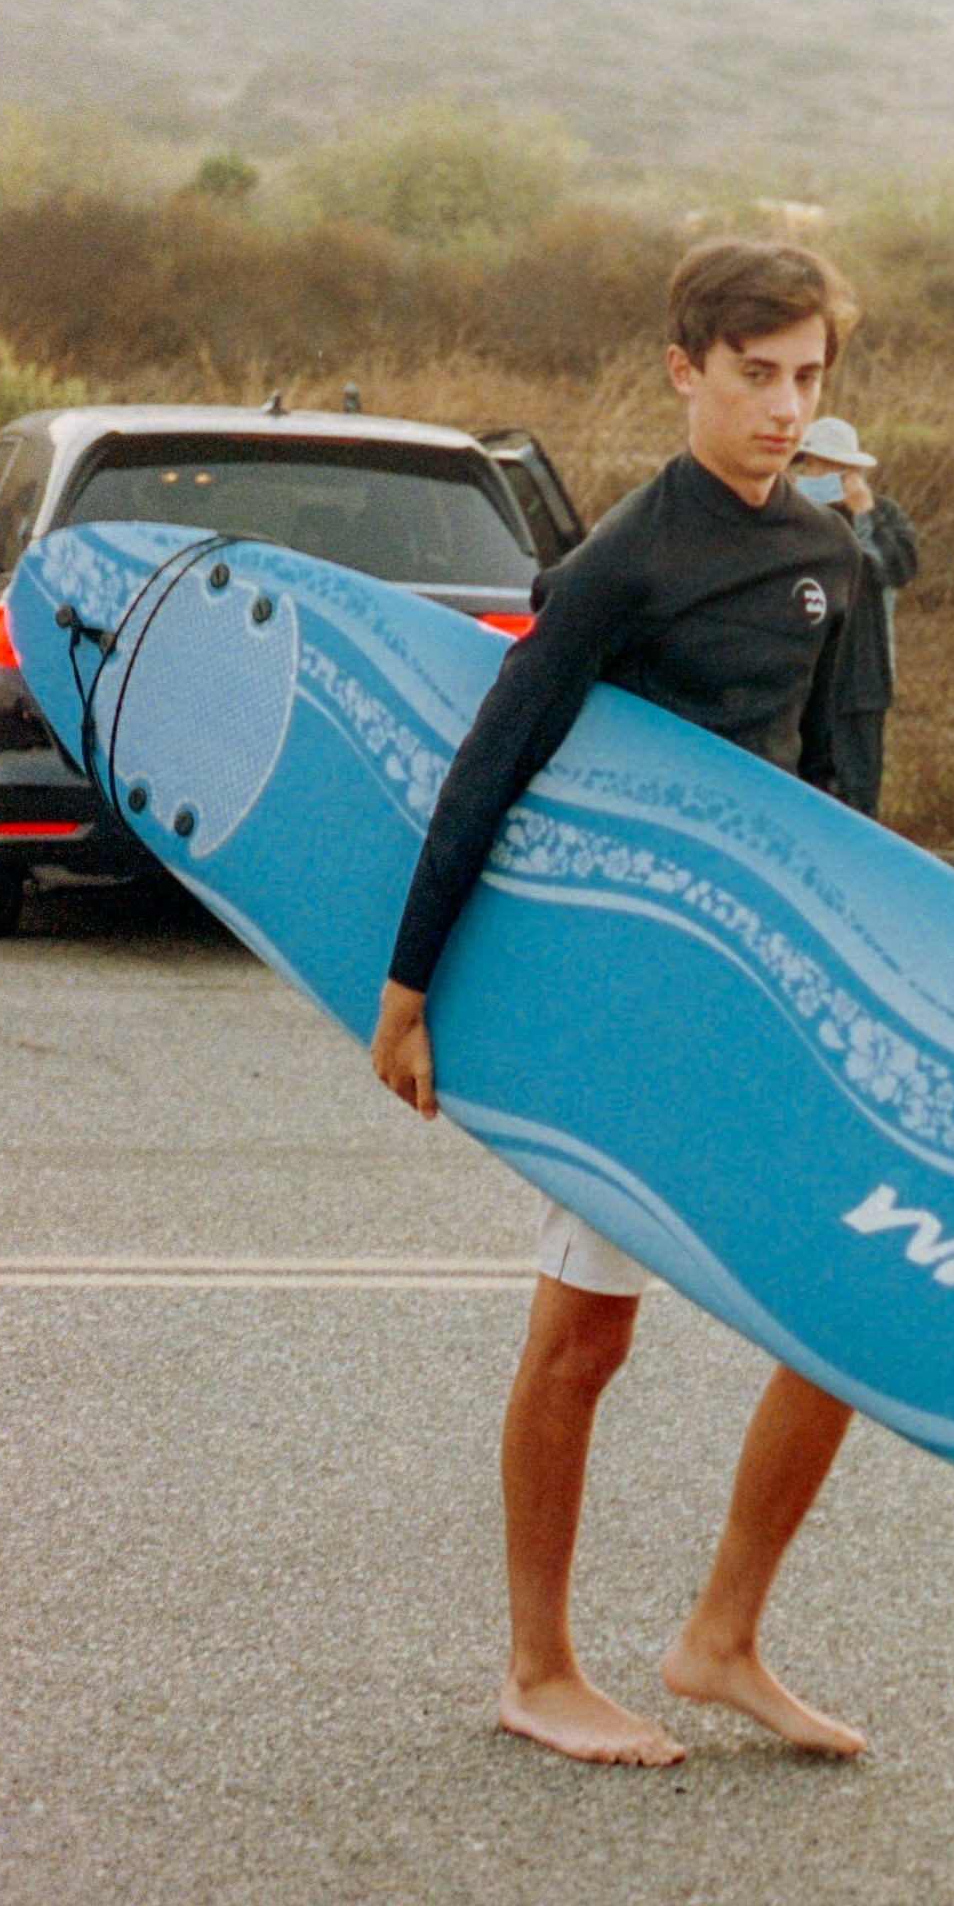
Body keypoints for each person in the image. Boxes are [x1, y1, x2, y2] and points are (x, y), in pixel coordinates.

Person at [372, 238, 870, 1769]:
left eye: (806, 378)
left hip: (761, 997)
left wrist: (860, 1006)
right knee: (586, 1337)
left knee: (838, 1319)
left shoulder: (836, 562)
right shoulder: (621, 563)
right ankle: (537, 1664)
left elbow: (850, 806)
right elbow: (491, 761)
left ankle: (719, 1633)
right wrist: (408, 986)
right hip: (621, 1002)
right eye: (754, 374)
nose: (783, 406)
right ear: (685, 368)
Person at [791, 413, 919, 819]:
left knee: (858, 799)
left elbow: (896, 568)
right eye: (811, 464)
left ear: (850, 471)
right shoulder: (793, 516)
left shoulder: (883, 515)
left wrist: (863, 513)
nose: (816, 473)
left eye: (827, 466)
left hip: (861, 682)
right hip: (804, 682)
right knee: (804, 795)